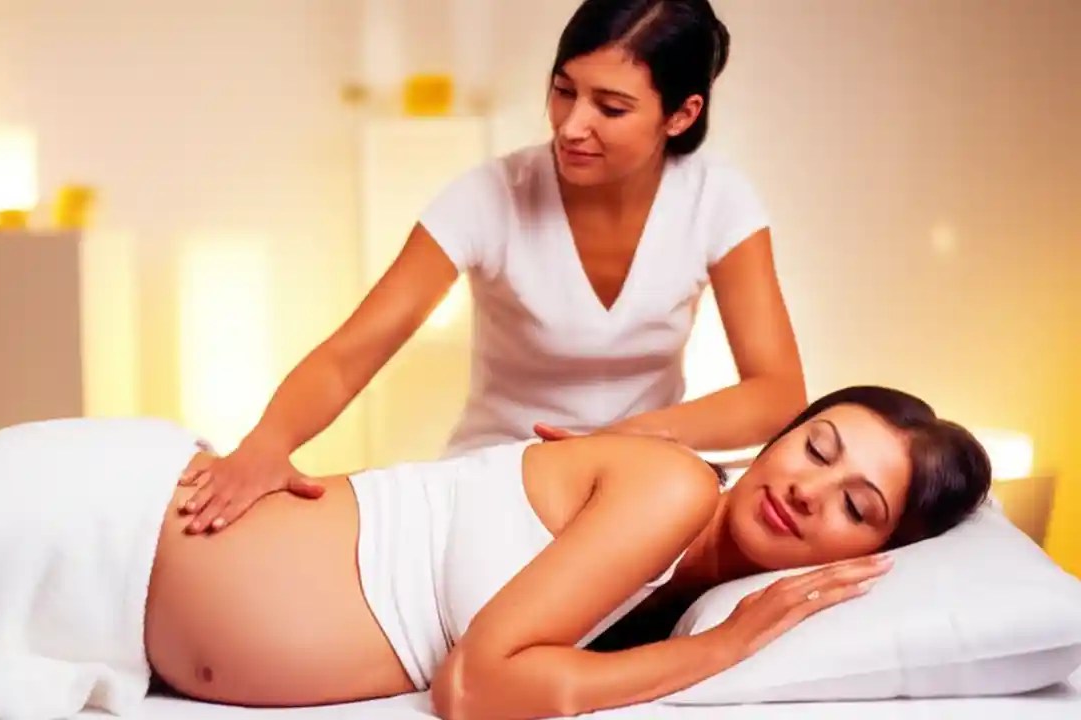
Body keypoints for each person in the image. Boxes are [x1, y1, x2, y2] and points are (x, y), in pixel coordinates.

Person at [179, 0, 807, 535]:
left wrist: (624, 439)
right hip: (497, 485)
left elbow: (776, 394)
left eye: (610, 108)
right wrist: (265, 445)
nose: (572, 126)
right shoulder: (490, 196)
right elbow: (352, 353)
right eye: (564, 91)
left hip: (636, 485)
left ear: (681, 114)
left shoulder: (716, 199)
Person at [145, 385, 990, 718]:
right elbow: (474, 688)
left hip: (126, 613)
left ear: (881, 552)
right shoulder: (675, 487)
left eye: (856, 504)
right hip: (128, 528)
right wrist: (720, 650)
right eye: (818, 447)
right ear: (781, 435)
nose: (811, 489)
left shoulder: (671, 595)